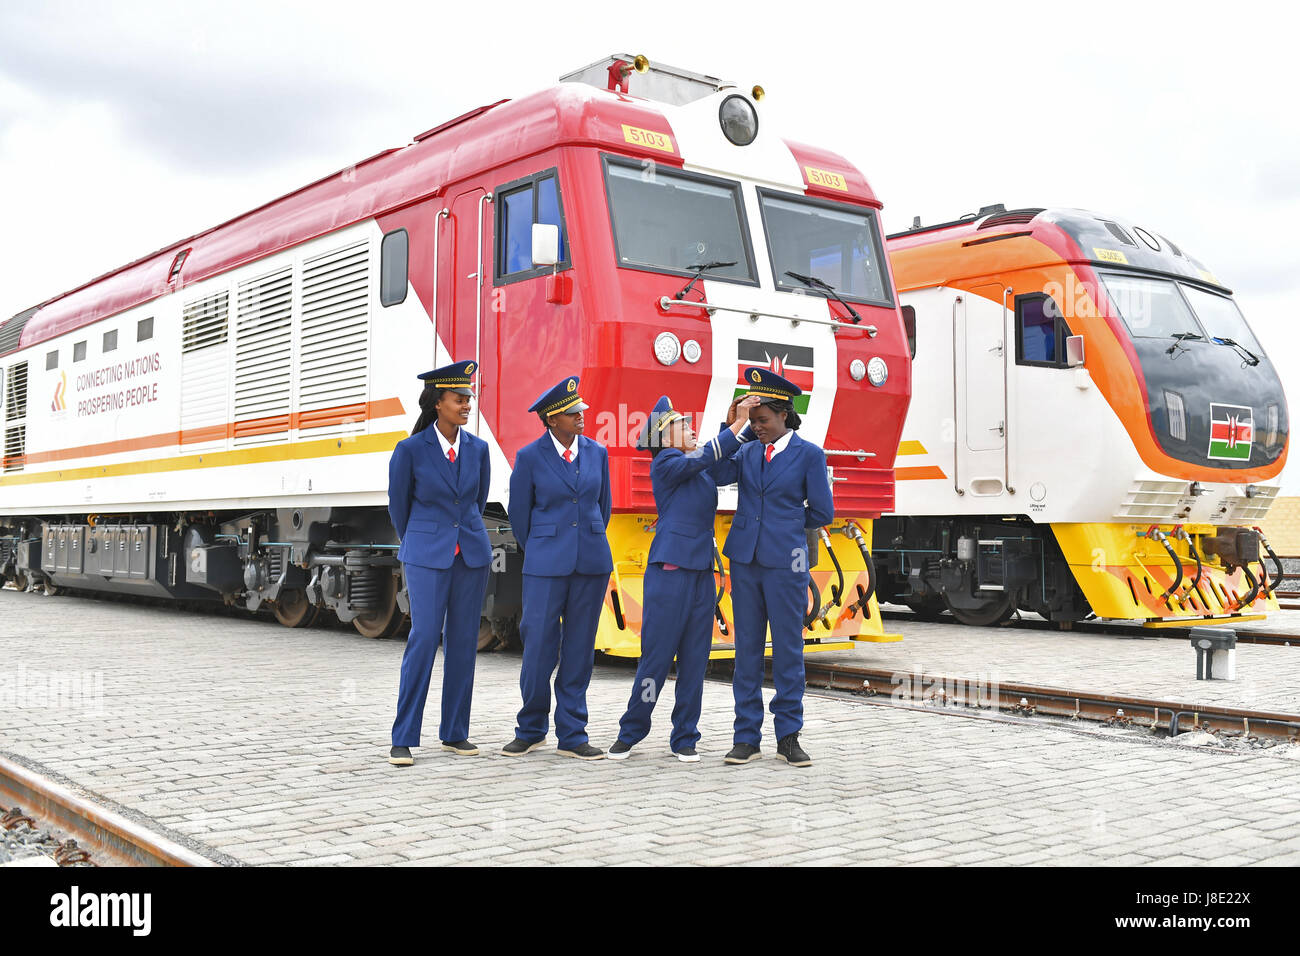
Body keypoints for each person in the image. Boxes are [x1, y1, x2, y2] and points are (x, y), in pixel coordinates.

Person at [606, 394, 761, 762]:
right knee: (655, 659)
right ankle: (631, 730)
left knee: (695, 660)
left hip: (701, 573)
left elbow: (728, 464)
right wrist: (735, 423)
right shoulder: (666, 463)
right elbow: (707, 455)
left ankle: (685, 737)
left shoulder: (699, 466)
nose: (691, 429)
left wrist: (734, 424)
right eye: (683, 426)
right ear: (665, 436)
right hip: (670, 573)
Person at [712, 368, 835, 767]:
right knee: (746, 650)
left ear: (785, 415)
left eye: (762, 421)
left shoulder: (810, 455)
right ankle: (746, 737)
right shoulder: (745, 450)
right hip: (745, 561)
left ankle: (788, 736)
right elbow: (714, 473)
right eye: (752, 422)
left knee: (788, 649)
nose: (757, 429)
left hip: (786, 562)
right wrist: (731, 425)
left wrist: (781, 526)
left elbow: (822, 511)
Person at [387, 360, 493, 766]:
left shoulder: (479, 449)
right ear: (437, 403)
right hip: (426, 555)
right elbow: (400, 508)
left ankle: (455, 732)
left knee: (464, 642)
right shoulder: (410, 450)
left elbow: (476, 502)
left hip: (471, 553)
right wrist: (422, 540)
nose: (467, 404)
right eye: (459, 398)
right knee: (425, 637)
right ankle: (404, 737)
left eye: (468, 398)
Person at [503, 376, 612, 760]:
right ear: (552, 420)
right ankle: (531, 729)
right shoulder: (530, 457)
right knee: (538, 649)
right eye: (572, 413)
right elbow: (520, 515)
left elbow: (605, 506)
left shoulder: (598, 453)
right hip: (546, 565)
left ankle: (573, 733)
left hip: (592, 563)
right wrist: (543, 549)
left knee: (580, 649)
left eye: (580, 410)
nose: (581, 417)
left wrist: (587, 541)